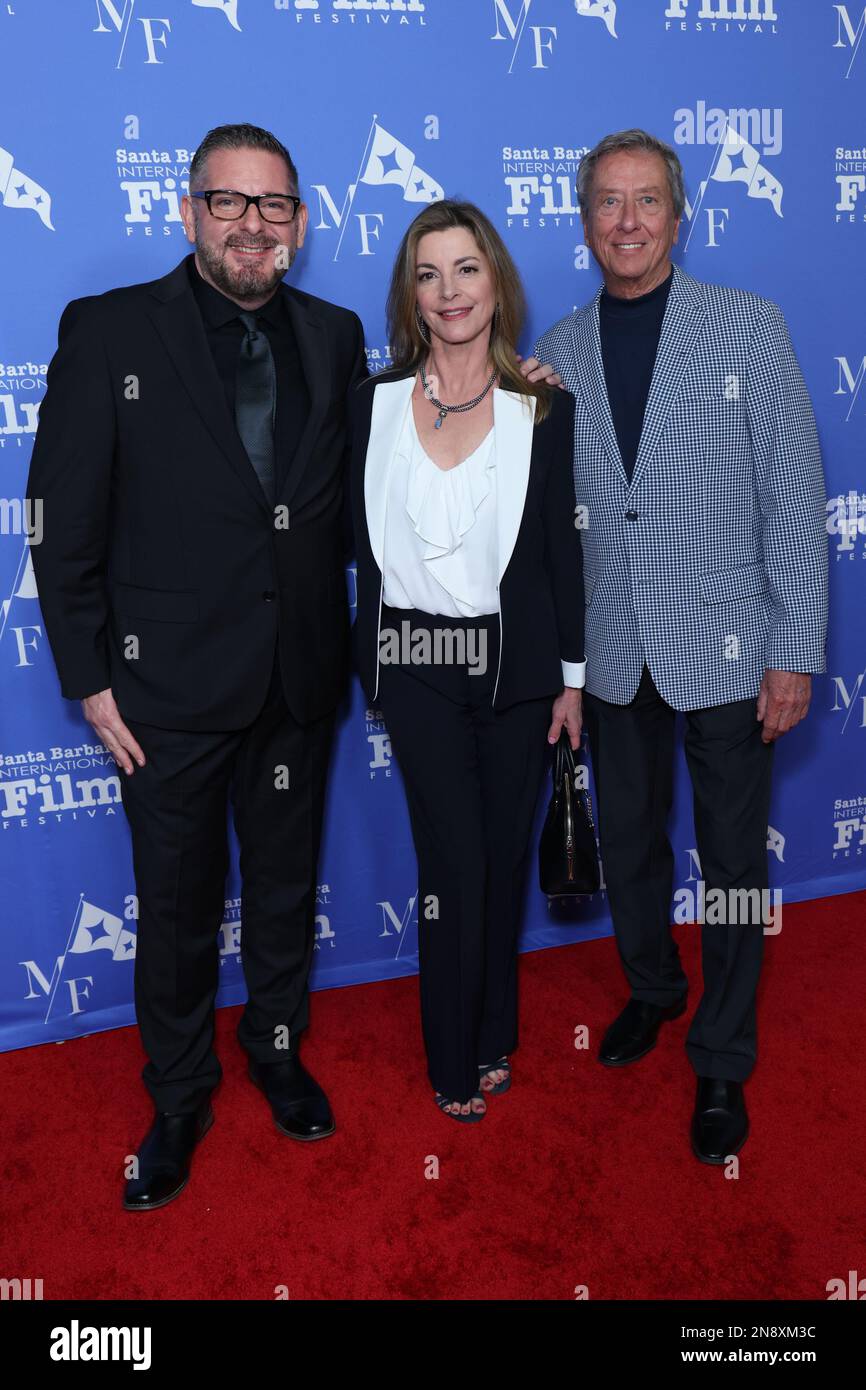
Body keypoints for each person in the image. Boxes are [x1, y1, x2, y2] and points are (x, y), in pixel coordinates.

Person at [27, 126, 559, 1206]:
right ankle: (177, 1097)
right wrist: (89, 675)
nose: (251, 224)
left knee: (279, 888)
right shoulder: (110, 330)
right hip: (163, 693)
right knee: (174, 907)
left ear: (300, 226)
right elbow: (61, 517)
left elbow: (418, 447)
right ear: (188, 214)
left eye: (272, 207)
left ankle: (275, 1049)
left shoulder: (332, 338)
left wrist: (519, 392)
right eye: (229, 202)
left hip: (296, 680)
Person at [534, 129, 828, 1163]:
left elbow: (792, 501)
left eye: (644, 201)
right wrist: (562, 669)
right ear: (583, 222)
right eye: (605, 203)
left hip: (730, 648)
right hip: (615, 652)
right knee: (630, 844)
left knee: (736, 862)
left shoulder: (746, 327)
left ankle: (722, 1052)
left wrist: (792, 647)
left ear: (678, 214)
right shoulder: (558, 349)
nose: (625, 221)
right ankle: (652, 988)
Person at [349, 199, 585, 1121]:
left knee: (498, 856)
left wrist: (570, 681)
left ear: (496, 282)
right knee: (451, 862)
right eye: (428, 273)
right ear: (411, 293)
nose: (450, 291)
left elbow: (564, 555)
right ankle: (454, 1056)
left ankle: (495, 1033)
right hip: (415, 660)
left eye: (466, 269)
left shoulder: (542, 404)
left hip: (517, 668)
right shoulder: (372, 405)